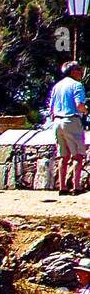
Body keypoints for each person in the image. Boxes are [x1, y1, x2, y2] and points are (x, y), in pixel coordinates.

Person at [48, 60, 87, 196]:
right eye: (78, 70)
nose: (81, 72)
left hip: (57, 122)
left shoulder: (57, 86)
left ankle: (62, 186)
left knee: (62, 156)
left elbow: (51, 108)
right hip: (71, 119)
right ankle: (76, 186)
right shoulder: (77, 85)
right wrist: (87, 111)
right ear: (73, 72)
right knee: (77, 156)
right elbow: (79, 105)